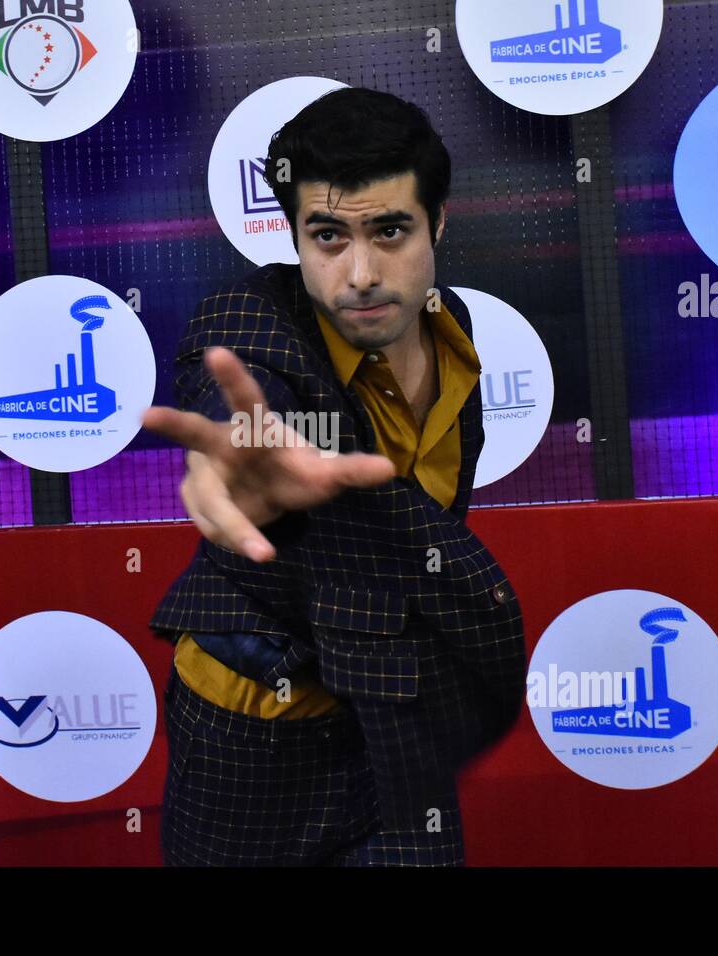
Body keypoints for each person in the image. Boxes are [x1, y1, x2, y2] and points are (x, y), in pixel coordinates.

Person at [141, 87, 527, 866]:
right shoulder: (243, 329)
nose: (360, 273)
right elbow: (241, 410)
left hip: (396, 705)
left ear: (438, 222)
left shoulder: (457, 333)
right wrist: (247, 473)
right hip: (252, 726)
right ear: (292, 236)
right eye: (327, 236)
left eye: (390, 232)